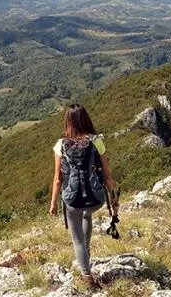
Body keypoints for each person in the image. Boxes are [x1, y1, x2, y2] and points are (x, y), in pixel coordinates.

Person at [49, 104, 118, 287]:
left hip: (73, 201)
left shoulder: (60, 145)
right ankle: (86, 254)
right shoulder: (96, 140)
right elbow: (107, 175)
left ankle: (86, 277)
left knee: (76, 239)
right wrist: (114, 198)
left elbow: (57, 179)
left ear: (68, 121)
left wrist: (53, 203)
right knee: (87, 214)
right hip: (95, 199)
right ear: (86, 119)